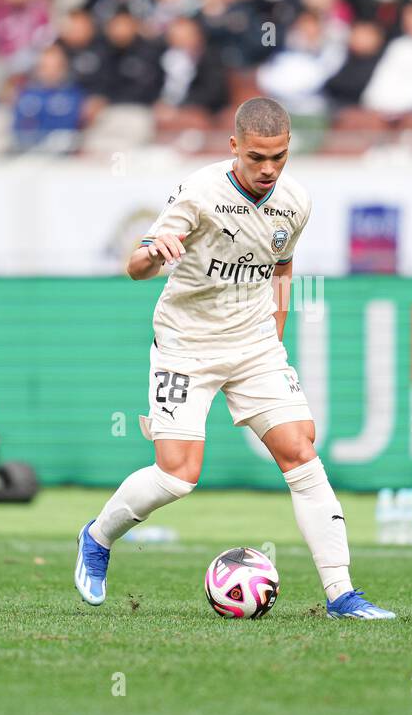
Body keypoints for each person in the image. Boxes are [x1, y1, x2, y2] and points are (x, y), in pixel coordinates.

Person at [74, 97, 395, 620]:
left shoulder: (295, 201)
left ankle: (341, 594)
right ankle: (97, 537)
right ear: (234, 149)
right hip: (185, 345)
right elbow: (135, 267)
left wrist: (277, 333)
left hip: (254, 347)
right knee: (178, 475)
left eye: (279, 157)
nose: (268, 169)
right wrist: (154, 253)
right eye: (256, 158)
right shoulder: (199, 194)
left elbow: (282, 268)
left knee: (300, 450)